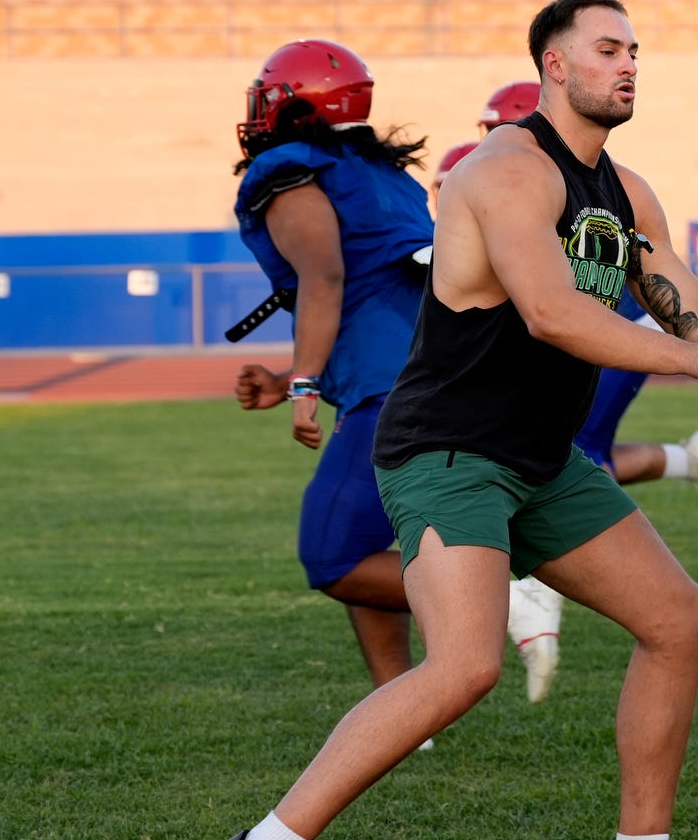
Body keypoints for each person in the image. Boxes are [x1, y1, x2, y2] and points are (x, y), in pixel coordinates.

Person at [200, 0, 698, 840]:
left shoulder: (626, 193)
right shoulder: (507, 171)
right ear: (555, 66)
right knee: (466, 664)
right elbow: (551, 312)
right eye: (608, 49)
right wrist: (690, 363)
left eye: (635, 52)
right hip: (451, 451)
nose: (628, 66)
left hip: (541, 459)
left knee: (678, 620)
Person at [229, 42, 558, 711]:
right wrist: (295, 372)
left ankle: (504, 600)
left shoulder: (288, 169)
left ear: (296, 103)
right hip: (445, 369)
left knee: (333, 558)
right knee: (370, 543)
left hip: (399, 391)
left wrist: (304, 386)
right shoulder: (383, 174)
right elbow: (388, 294)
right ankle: (406, 706)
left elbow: (326, 277)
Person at [474, 81, 698, 511]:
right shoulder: (501, 185)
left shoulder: (600, 186)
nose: (487, 147)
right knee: (561, 449)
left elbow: (553, 309)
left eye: (496, 131)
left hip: (625, 323)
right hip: (573, 334)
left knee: (579, 451)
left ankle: (551, 569)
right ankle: (691, 460)